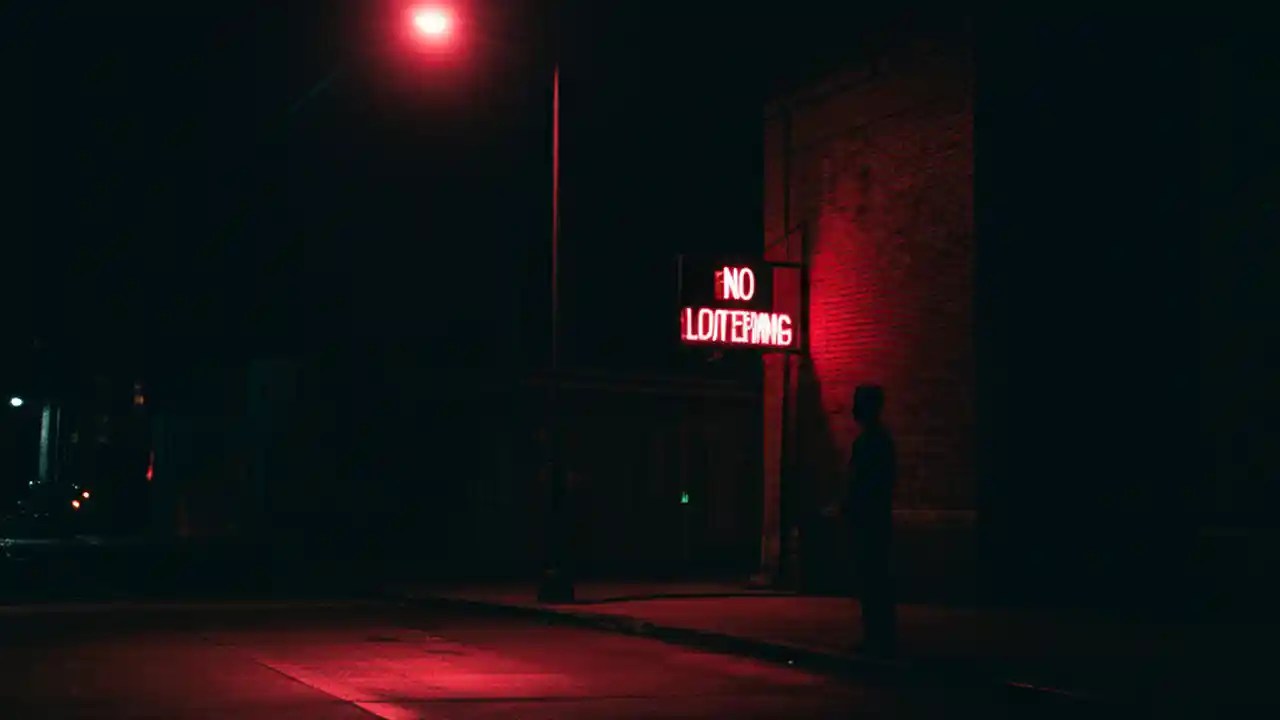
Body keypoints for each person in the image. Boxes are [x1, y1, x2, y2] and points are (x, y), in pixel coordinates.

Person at [845, 385, 897, 657]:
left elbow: (859, 483)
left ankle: (877, 639)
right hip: (877, 519)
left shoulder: (868, 443)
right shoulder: (882, 441)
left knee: (871, 580)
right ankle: (881, 637)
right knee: (877, 579)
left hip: (868, 521)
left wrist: (848, 507)